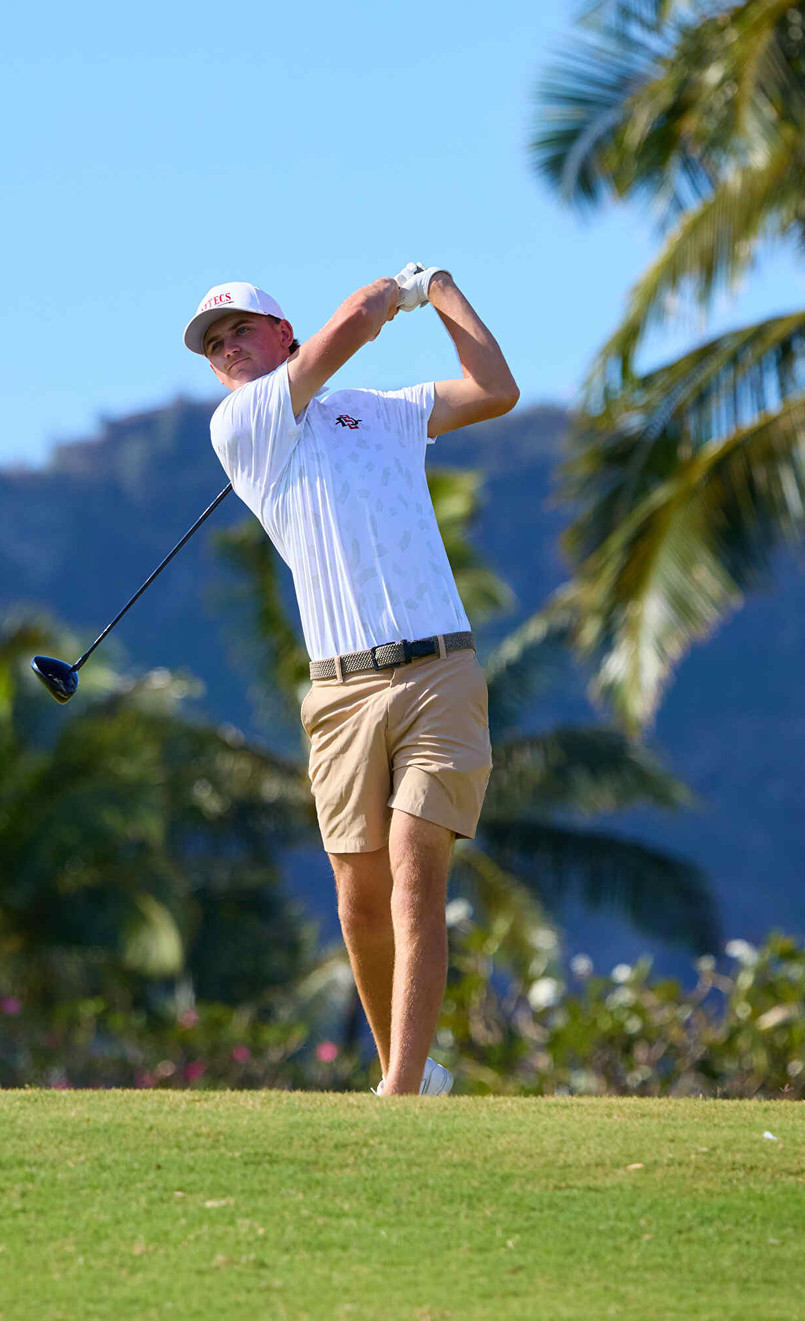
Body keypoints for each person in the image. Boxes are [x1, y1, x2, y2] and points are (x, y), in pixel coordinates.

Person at [184, 265, 518, 1096]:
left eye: (240, 332)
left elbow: (494, 388)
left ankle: (400, 1091)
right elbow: (353, 322)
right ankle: (407, 1070)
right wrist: (392, 290)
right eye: (214, 346)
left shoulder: (382, 410)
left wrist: (440, 290)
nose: (227, 350)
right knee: (359, 897)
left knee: (414, 862)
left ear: (280, 332)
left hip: (440, 666)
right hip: (339, 694)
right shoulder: (242, 424)